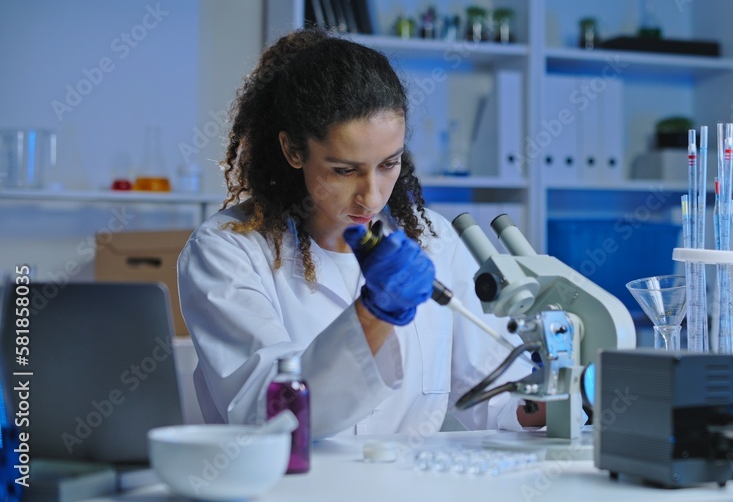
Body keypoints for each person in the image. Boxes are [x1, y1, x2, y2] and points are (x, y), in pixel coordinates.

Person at [177, 29, 542, 438]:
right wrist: (374, 314)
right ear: (293, 150)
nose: (371, 196)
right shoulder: (227, 250)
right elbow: (271, 412)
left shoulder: (431, 237)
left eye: (389, 164)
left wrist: (556, 397)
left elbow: (495, 394)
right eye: (345, 170)